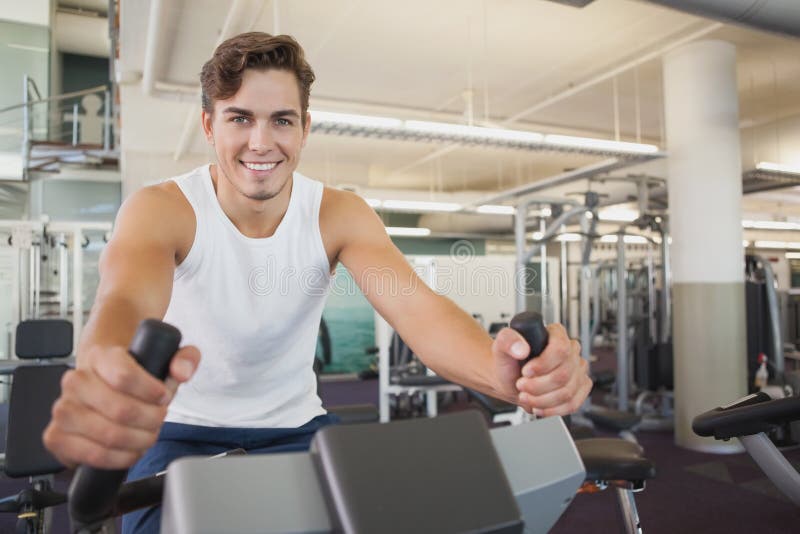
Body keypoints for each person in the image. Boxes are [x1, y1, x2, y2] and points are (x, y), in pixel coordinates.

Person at [43, 32, 592, 532]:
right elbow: (125, 297)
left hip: (297, 427)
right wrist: (104, 374)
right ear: (209, 126)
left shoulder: (338, 213)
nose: (261, 142)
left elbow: (416, 309)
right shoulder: (163, 209)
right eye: (239, 119)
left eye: (281, 120)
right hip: (180, 430)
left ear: (305, 128)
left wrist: (508, 377)